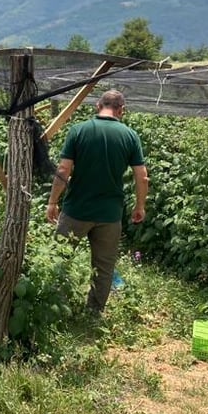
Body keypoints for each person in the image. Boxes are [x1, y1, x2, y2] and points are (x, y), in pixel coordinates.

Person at [45, 89, 149, 314]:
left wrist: (53, 202)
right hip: (110, 215)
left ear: (97, 106)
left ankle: (52, 308)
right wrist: (139, 205)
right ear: (121, 110)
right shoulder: (130, 135)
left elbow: (63, 169)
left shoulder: (78, 131)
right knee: (103, 267)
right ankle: (94, 312)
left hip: (76, 211)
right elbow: (142, 176)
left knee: (60, 257)